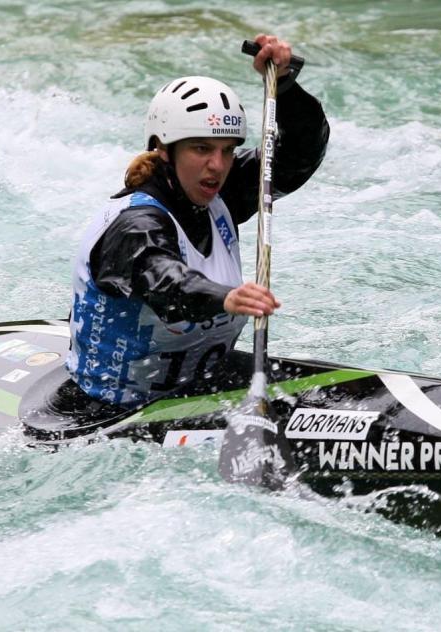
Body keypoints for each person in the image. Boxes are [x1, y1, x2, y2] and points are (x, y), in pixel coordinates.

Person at [66, 34, 329, 409]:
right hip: (110, 411)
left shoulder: (217, 195)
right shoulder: (134, 226)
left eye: (226, 150)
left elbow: (297, 158)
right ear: (163, 149)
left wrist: (284, 86)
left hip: (200, 385)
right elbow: (166, 283)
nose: (217, 166)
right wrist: (226, 296)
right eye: (201, 149)